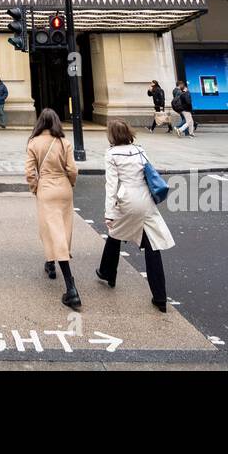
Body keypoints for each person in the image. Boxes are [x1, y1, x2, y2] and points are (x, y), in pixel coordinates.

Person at [95, 121, 174, 313]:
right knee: (152, 246)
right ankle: (160, 297)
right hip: (146, 200)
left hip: (127, 200)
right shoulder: (139, 150)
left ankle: (108, 272)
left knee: (115, 231)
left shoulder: (111, 154)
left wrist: (109, 213)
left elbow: (111, 186)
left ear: (112, 135)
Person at [25, 109, 80, 309]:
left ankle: (71, 288)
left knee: (50, 231)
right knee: (63, 230)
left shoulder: (34, 143)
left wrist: (35, 188)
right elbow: (73, 169)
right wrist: (70, 183)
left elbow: (30, 172)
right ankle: (50, 262)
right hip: (64, 188)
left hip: (46, 188)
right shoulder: (64, 142)